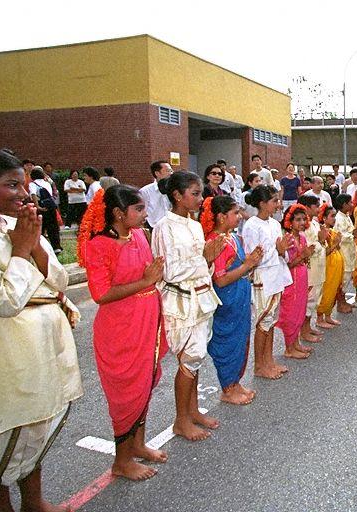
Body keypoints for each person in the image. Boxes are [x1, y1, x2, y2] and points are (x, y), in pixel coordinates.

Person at [0, 148, 82, 511]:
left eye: (23, 184)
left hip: (45, 351)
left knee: (36, 431)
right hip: (5, 358)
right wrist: (22, 252)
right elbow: (3, 301)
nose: (25, 194)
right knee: (1, 441)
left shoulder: (16, 227)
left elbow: (57, 279)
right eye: (11, 185)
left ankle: (34, 502)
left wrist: (34, 243)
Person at [81, 185, 168, 481]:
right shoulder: (98, 245)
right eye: (139, 210)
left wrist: (154, 275)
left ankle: (139, 444)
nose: (145, 215)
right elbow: (101, 293)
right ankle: (121, 461)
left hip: (147, 322)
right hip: (120, 328)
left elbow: (149, 274)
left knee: (144, 384)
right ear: (118, 213)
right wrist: (146, 282)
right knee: (126, 393)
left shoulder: (139, 235)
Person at [152, 171, 224, 441]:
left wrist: (208, 259)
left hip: (202, 299)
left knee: (196, 357)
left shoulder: (194, 224)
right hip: (180, 301)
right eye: (195, 193)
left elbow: (203, 264)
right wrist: (203, 257)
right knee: (189, 359)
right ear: (177, 196)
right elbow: (169, 271)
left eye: (200, 193)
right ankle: (180, 420)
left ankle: (192, 410)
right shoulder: (163, 227)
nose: (201, 198)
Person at [200, 196, 263, 405]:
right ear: (220, 217)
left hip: (241, 294)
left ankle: (235, 383)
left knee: (242, 338)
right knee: (228, 342)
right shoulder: (214, 242)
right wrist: (247, 266)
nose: (239, 217)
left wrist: (251, 261)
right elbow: (221, 279)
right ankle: (227, 388)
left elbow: (241, 266)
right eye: (235, 213)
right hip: (227, 298)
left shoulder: (234, 237)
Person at [242, 185, 293, 379]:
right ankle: (259, 366)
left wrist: (282, 250)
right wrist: (277, 250)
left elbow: (281, 251)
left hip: (276, 275)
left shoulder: (274, 223)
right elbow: (252, 257)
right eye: (274, 201)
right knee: (263, 323)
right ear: (262, 204)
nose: (278, 204)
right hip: (263, 278)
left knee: (270, 321)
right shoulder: (251, 225)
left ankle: (269, 360)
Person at [277, 204, 315, 360]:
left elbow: (304, 259)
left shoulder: (303, 237)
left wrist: (305, 256)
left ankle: (296, 343)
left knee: (300, 311)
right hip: (291, 279)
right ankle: (288, 348)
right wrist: (303, 255)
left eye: (304, 219)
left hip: (302, 277)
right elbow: (287, 264)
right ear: (289, 221)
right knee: (291, 313)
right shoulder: (288, 239)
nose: (301, 222)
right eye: (297, 220)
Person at [298, 195, 328, 338]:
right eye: (316, 206)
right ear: (307, 208)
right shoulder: (303, 226)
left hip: (319, 268)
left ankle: (308, 327)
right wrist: (321, 240)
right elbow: (307, 248)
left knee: (314, 299)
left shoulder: (315, 223)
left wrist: (323, 240)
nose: (319, 208)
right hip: (310, 270)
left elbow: (322, 244)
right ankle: (303, 331)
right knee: (307, 301)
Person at [317, 204, 344, 327]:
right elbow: (324, 252)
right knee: (326, 292)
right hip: (328, 267)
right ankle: (320, 318)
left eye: (335, 216)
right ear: (324, 218)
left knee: (334, 291)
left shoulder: (332, 231)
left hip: (336, 266)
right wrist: (335, 244)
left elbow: (337, 248)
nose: (334, 219)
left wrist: (337, 243)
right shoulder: (322, 233)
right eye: (332, 216)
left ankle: (328, 316)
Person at [333, 193, 357, 314]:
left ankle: (343, 301)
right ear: (344, 204)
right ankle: (340, 304)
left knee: (347, 278)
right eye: (350, 203)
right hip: (343, 252)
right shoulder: (338, 218)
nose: (352, 204)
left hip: (350, 251)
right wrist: (353, 234)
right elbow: (339, 235)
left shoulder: (346, 216)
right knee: (343, 279)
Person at [28, 167, 63, 254]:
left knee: (40, 226)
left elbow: (33, 195)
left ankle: (39, 246)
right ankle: (56, 247)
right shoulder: (47, 183)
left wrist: (37, 206)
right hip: (50, 206)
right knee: (53, 227)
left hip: (41, 206)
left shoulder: (32, 184)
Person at [139, 160, 173, 229]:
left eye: (171, 171)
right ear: (157, 173)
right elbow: (142, 212)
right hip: (154, 228)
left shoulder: (173, 189)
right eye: (168, 171)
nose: (171, 173)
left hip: (171, 227)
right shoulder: (145, 191)